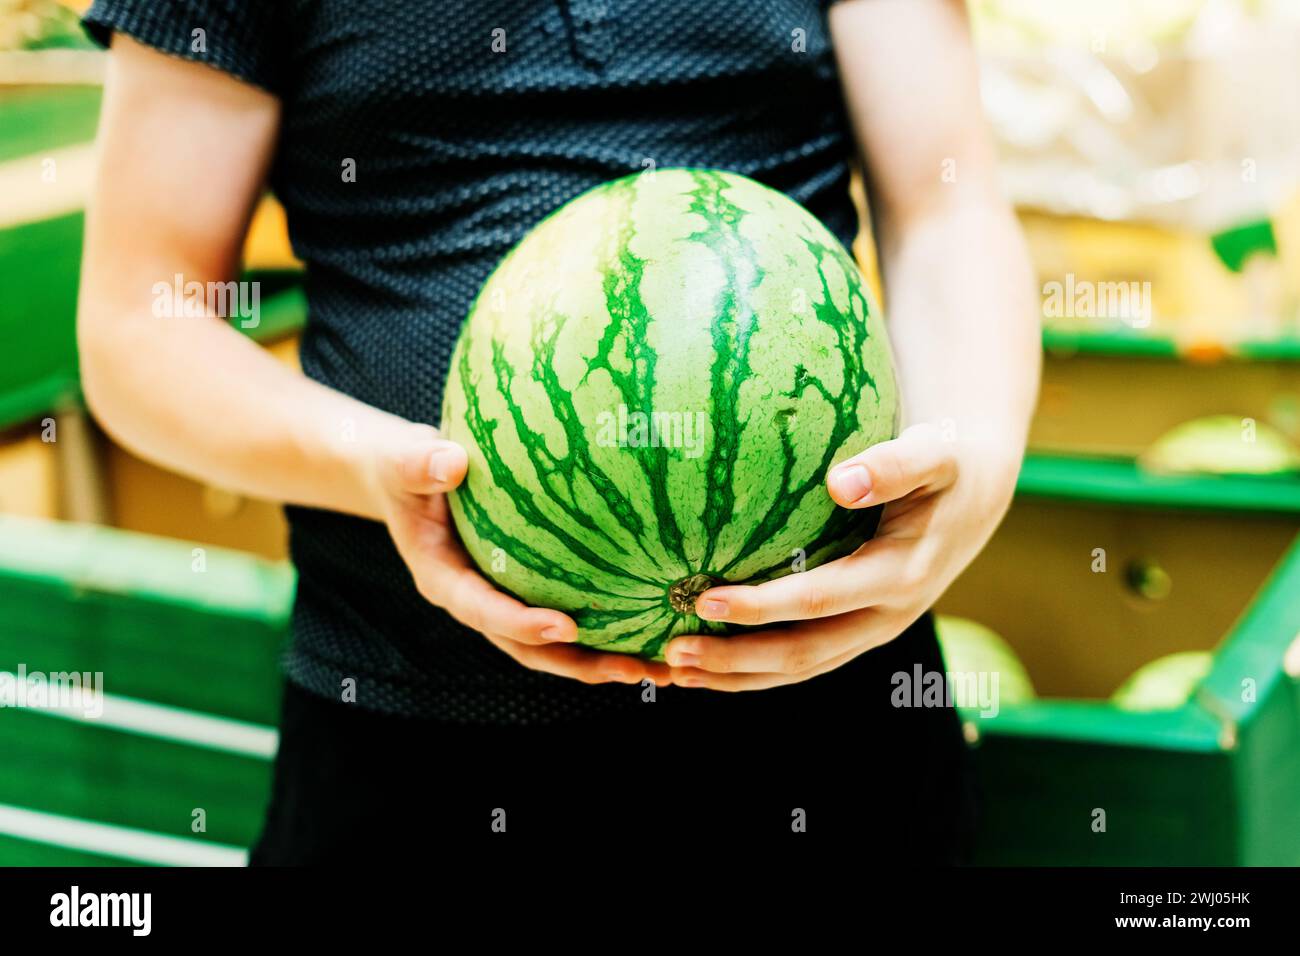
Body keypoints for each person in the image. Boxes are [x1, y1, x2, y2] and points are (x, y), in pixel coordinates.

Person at [78, 0, 1037, 863]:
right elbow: (138, 321)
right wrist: (376, 467)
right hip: (409, 735)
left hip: (832, 719)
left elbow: (946, 207)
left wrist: (978, 459)